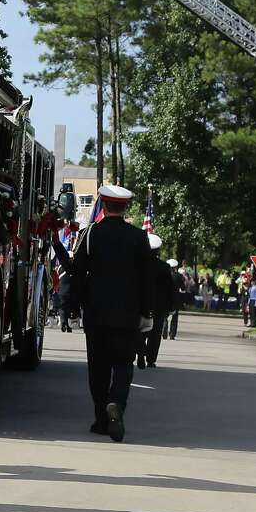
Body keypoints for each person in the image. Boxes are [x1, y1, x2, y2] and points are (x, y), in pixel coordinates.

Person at [68, 184, 153, 443]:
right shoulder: (139, 237)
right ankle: (116, 403)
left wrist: (73, 307)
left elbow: (77, 274)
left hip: (96, 313)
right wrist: (146, 313)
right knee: (124, 364)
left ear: (103, 205)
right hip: (127, 314)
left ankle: (101, 419)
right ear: (125, 207)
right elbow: (146, 279)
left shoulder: (90, 234)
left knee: (98, 368)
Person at [138, 234, 172, 368]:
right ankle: (151, 359)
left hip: (141, 302)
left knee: (140, 331)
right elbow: (169, 288)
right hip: (159, 306)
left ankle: (140, 354)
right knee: (155, 333)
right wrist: (170, 306)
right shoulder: (164, 267)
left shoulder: (138, 265)